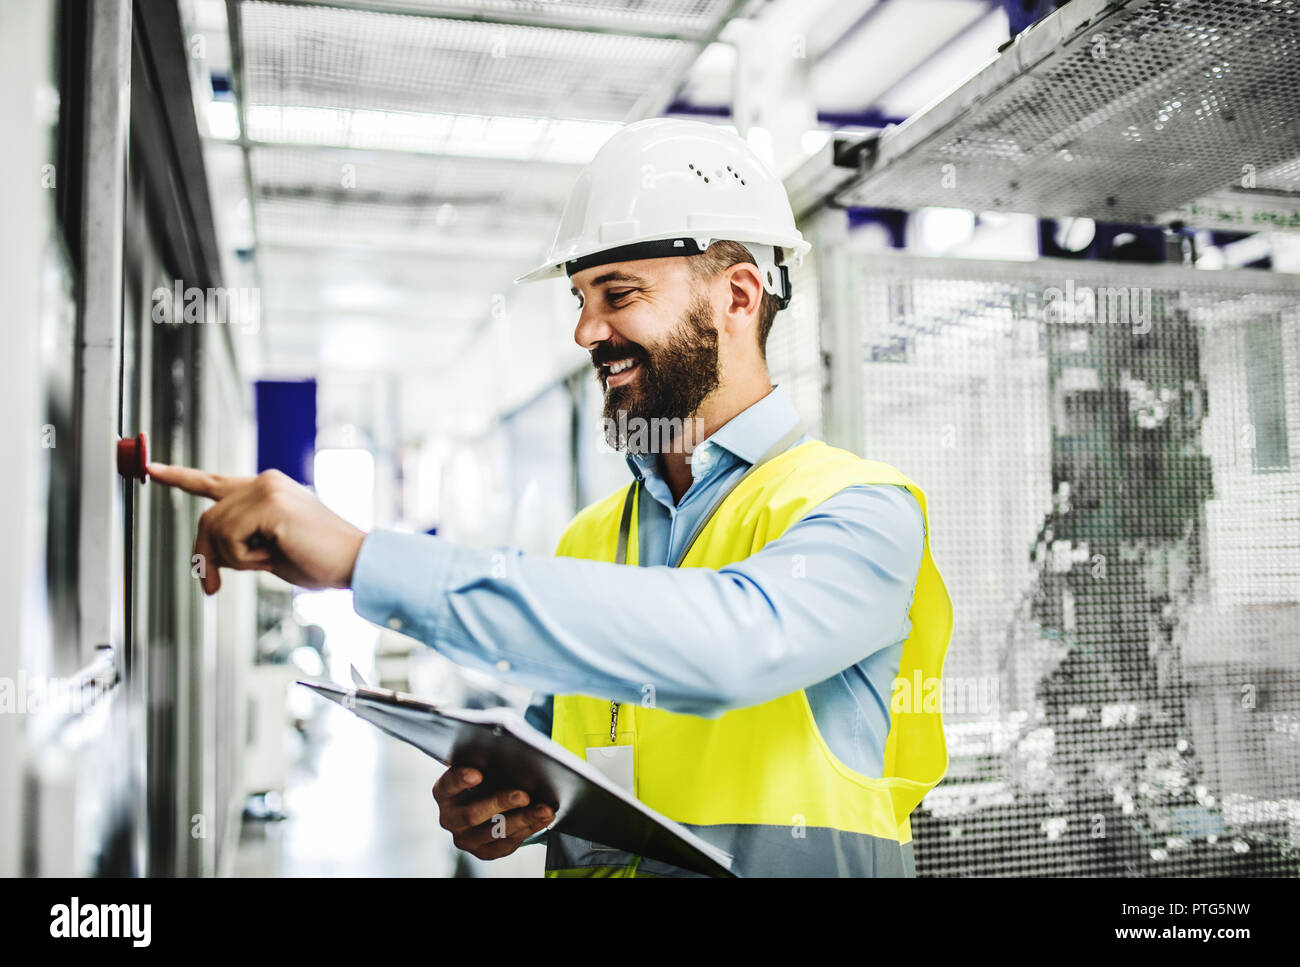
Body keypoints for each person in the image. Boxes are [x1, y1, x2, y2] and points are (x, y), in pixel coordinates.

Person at [149, 118, 953, 877]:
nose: (585, 333)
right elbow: (560, 769)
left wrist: (365, 560)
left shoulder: (865, 510)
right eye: (581, 299)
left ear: (738, 297)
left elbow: (729, 648)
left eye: (619, 293)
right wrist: (499, 807)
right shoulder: (591, 536)